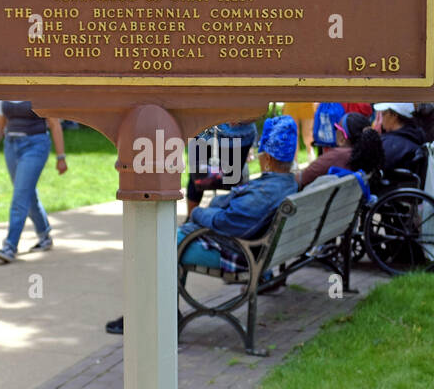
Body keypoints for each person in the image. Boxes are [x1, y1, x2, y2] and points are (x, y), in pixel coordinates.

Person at [104, 115, 300, 335]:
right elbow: (227, 209)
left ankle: (143, 316)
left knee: (153, 247)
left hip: (237, 253)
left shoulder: (264, 193)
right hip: (249, 247)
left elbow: (224, 222)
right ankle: (161, 309)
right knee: (167, 241)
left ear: (269, 158)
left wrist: (197, 212)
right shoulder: (285, 184)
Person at [0, 101, 67, 262]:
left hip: (36, 145)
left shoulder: (38, 87)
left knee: (20, 196)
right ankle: (44, 235)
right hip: (11, 146)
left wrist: (61, 156)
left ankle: (10, 246)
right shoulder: (4, 87)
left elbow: (54, 123)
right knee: (26, 194)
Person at [184, 118, 256, 219]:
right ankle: (191, 218)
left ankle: (232, 217)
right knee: (198, 177)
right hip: (208, 130)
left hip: (237, 134)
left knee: (230, 178)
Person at [298, 112, 384, 189]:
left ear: (343, 138)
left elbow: (302, 179)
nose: (335, 131)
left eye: (336, 128)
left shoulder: (337, 156)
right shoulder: (369, 154)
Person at [373, 103, 427, 170]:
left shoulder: (389, 144)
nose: (381, 121)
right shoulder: (418, 137)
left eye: (383, 114)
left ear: (394, 116)